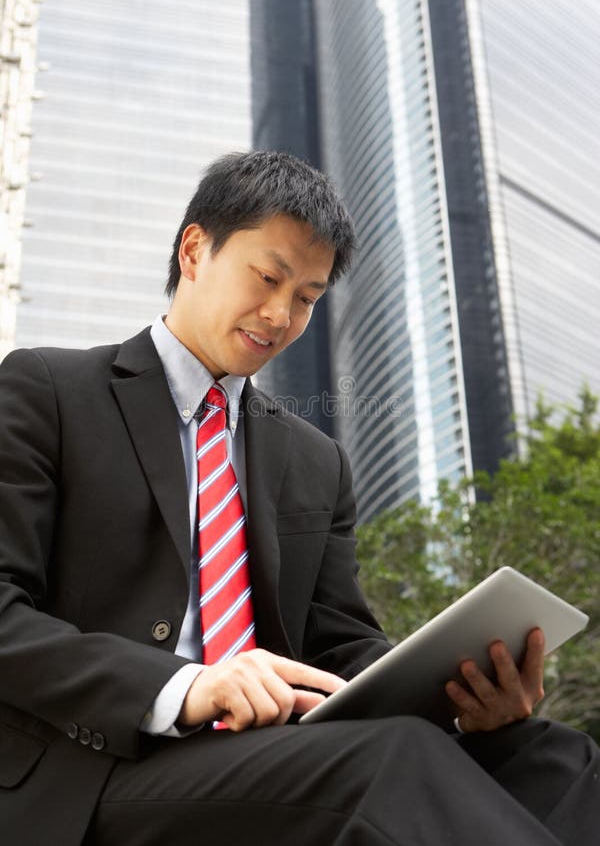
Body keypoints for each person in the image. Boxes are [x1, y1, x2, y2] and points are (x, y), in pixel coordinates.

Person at [0, 151, 597, 846]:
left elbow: (341, 647)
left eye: (308, 297)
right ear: (194, 251)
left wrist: (461, 695)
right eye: (267, 277)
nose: (280, 315)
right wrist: (185, 686)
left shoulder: (315, 460)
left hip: (278, 753)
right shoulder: (49, 391)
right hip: (96, 770)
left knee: (556, 759)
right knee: (391, 760)